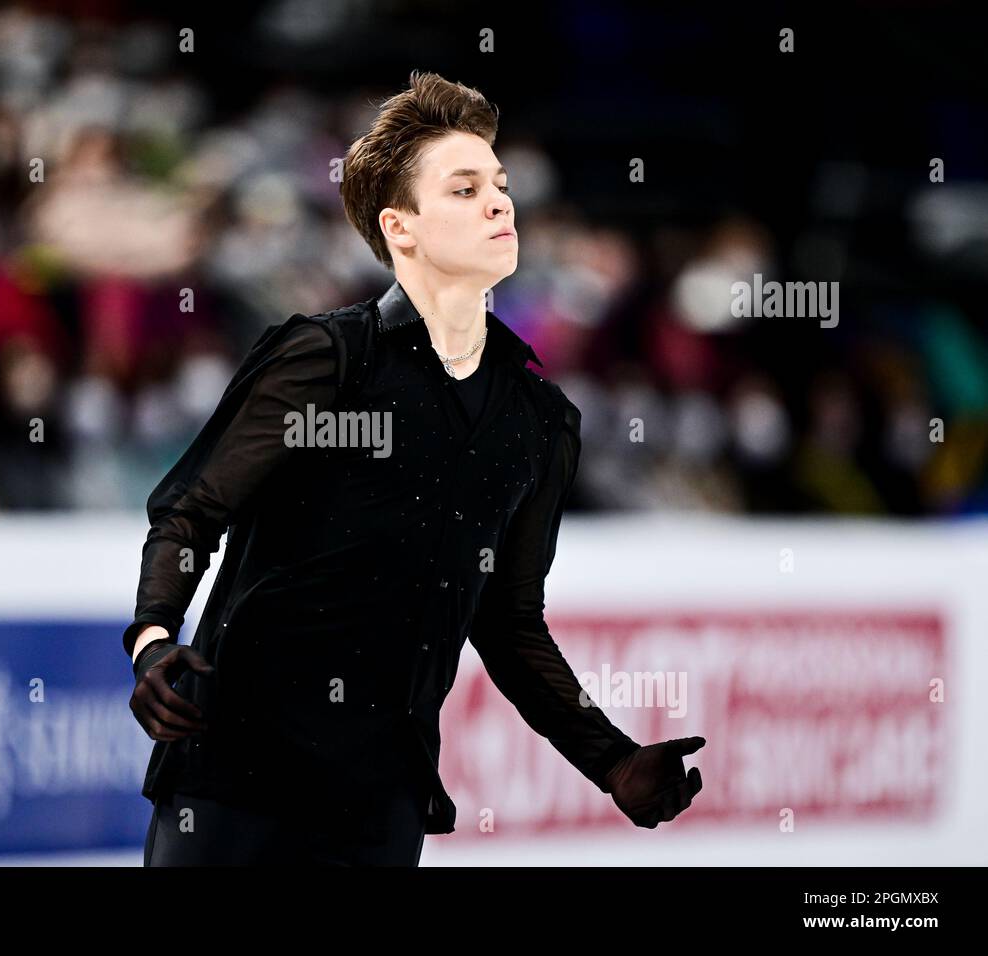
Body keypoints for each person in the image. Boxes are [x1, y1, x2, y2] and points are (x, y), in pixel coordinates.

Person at [127, 70, 704, 866]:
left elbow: (507, 622)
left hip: (383, 801)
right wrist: (155, 638)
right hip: (234, 780)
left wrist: (610, 759)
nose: (501, 202)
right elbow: (192, 511)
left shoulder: (540, 422)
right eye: (465, 189)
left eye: (499, 185)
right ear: (401, 228)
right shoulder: (326, 359)